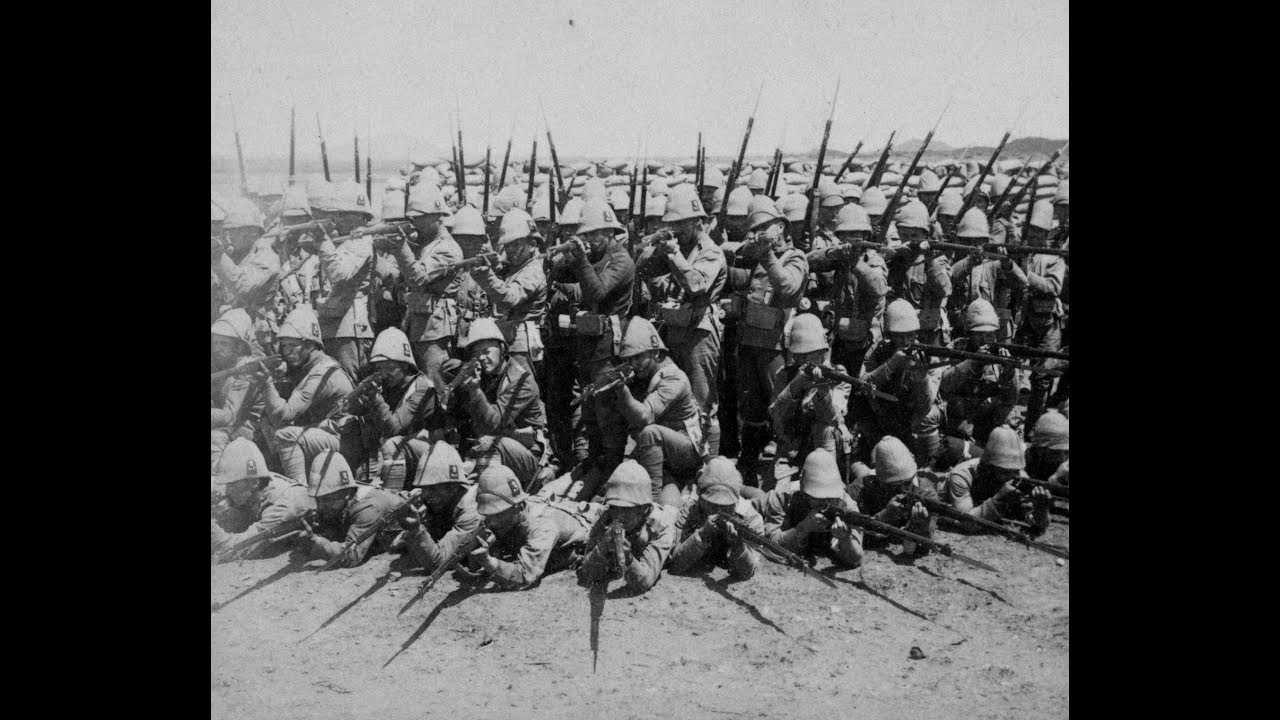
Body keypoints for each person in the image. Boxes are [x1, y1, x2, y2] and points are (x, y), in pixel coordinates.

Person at [545, 198, 635, 490]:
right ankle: (595, 463)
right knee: (590, 409)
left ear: (609, 231)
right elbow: (561, 277)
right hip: (587, 343)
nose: (590, 240)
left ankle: (611, 469)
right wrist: (564, 259)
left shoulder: (621, 260)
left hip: (608, 344)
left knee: (607, 410)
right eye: (586, 234)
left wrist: (581, 260)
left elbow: (596, 292)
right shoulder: (595, 256)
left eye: (594, 234)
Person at [634, 185, 727, 456]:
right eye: (672, 224)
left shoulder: (710, 251)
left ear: (697, 220)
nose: (676, 229)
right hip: (675, 328)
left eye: (681, 223)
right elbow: (642, 269)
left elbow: (696, 285)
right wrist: (656, 247)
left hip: (700, 332)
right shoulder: (678, 247)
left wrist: (674, 255)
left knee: (702, 402)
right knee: (676, 397)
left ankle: (707, 461)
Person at [732, 195, 809, 486]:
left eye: (766, 227)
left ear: (782, 226)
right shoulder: (755, 256)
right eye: (755, 229)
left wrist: (766, 255)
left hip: (777, 346)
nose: (760, 233)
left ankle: (786, 470)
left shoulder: (795, 257)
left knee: (781, 406)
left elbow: (788, 287)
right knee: (751, 409)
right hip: (751, 342)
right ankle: (748, 465)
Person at [611, 317, 706, 505]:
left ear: (655, 352)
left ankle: (651, 501)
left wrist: (622, 390)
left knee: (650, 433)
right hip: (667, 449)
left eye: (638, 357)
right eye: (629, 359)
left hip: (687, 449)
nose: (634, 364)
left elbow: (644, 417)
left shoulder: (673, 378)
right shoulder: (647, 375)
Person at [256, 305, 355, 483]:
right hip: (323, 434)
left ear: (310, 345)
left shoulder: (323, 372)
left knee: (285, 435)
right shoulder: (307, 367)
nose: (286, 352)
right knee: (265, 420)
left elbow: (283, 416)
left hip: (345, 441)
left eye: (293, 346)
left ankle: (297, 490)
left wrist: (266, 383)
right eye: (284, 346)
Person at [463, 465, 601, 590]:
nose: (491, 521)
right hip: (547, 500)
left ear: (517, 506)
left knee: (595, 478)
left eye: (498, 514)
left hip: (585, 517)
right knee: (575, 475)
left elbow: (524, 575)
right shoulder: (515, 508)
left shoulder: (542, 529)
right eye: (488, 514)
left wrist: (489, 562)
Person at [384, 183, 463, 392]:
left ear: (437, 215)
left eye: (421, 218)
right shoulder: (427, 246)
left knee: (435, 384)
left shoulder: (447, 248)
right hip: (418, 325)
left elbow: (419, 279)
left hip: (435, 330)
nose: (416, 223)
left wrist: (400, 247)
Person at [452, 317, 547, 490]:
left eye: (487, 351)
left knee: (487, 443)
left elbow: (494, 424)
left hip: (527, 456)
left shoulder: (521, 381)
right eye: (476, 354)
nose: (482, 358)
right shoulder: (484, 376)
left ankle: (486, 491)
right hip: (490, 449)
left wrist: (475, 391)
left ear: (502, 349)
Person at [769, 313, 855, 488]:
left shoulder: (838, 377)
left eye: (809, 354)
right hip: (792, 448)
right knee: (781, 493)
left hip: (826, 448)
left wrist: (822, 392)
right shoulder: (785, 375)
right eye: (799, 354)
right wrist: (796, 384)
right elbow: (775, 414)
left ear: (822, 350)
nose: (803, 360)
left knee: (826, 429)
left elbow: (832, 418)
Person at [858, 300, 945, 467]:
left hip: (913, 417)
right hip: (884, 413)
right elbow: (862, 385)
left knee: (929, 416)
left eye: (910, 335)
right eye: (899, 336)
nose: (905, 341)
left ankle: (930, 463)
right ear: (890, 334)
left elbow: (925, 407)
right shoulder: (878, 351)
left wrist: (921, 379)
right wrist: (891, 364)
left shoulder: (928, 357)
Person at [806, 202, 888, 376]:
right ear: (840, 236)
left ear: (865, 235)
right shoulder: (838, 257)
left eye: (856, 233)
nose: (852, 238)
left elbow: (879, 289)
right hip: (840, 337)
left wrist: (855, 263)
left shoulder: (873, 260)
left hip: (868, 338)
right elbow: (808, 262)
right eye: (847, 234)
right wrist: (832, 253)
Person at [308, 182, 378, 380]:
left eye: (342, 214)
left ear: (359, 216)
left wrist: (322, 240)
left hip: (350, 327)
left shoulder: (361, 242)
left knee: (348, 383)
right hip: (334, 324)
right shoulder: (344, 241)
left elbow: (340, 274)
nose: (336, 219)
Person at [936, 299, 1019, 466]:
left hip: (988, 419)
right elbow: (944, 385)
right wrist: (973, 362)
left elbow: (1010, 400)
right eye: (978, 334)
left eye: (989, 334)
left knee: (1010, 421)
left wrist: (1009, 374)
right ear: (969, 333)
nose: (985, 339)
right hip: (961, 419)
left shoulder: (999, 353)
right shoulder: (956, 349)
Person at [576, 460, 678, 593]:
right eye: (614, 507)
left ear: (644, 508)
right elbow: (587, 572)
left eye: (626, 509)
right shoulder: (605, 515)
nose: (618, 515)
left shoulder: (661, 526)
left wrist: (629, 559)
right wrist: (602, 548)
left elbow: (645, 581)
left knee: (674, 490)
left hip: (671, 510)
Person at [294, 449, 408, 569]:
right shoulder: (342, 499)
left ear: (346, 492)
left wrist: (316, 541)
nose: (322, 506)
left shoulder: (367, 507)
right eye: (318, 499)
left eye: (327, 499)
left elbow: (351, 556)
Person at [469, 208, 548, 379]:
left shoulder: (533, 270)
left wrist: (487, 275)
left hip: (521, 343)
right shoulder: (515, 268)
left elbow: (510, 298)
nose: (510, 250)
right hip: (509, 338)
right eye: (507, 245)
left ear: (532, 244)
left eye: (516, 244)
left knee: (519, 387)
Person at [1011, 200, 1068, 433]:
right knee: (1009, 369)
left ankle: (1032, 428)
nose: (1034, 235)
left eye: (1039, 232)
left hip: (1047, 324)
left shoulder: (1054, 258)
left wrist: (1026, 275)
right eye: (1032, 230)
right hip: (1022, 322)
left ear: (1046, 234)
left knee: (1042, 378)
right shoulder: (1022, 252)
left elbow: (1053, 287)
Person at [754, 449, 864, 568]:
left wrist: (845, 539)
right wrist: (804, 527)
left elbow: (856, 559)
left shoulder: (846, 506)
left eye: (830, 498)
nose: (825, 504)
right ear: (804, 492)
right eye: (817, 498)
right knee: (752, 497)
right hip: (759, 505)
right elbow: (772, 545)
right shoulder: (783, 497)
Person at [211, 438, 315, 558]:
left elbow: (231, 550)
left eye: (232, 484)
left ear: (254, 482)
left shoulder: (281, 508)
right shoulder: (257, 480)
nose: (227, 491)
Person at [393, 441, 484, 573]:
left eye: (433, 488)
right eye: (424, 488)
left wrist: (416, 529)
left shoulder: (471, 511)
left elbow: (439, 563)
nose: (426, 494)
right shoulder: (442, 501)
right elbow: (395, 545)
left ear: (453, 486)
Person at [668, 457, 765, 580]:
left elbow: (747, 573)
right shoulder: (691, 509)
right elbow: (676, 565)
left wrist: (738, 546)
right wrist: (702, 534)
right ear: (701, 499)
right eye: (712, 504)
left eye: (725, 506)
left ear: (735, 503)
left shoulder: (749, 518)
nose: (718, 510)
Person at [944, 426, 1052, 535]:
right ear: (989, 466)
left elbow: (1034, 522)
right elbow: (966, 522)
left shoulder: (1019, 477)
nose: (1012, 477)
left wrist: (1041, 510)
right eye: (1005, 471)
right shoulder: (962, 475)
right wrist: (998, 500)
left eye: (1015, 471)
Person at [845, 436, 937, 557]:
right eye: (895, 486)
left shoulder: (926, 493)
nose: (903, 490)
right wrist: (883, 517)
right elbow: (851, 536)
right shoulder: (861, 489)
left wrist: (920, 527)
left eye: (907, 483)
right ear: (880, 480)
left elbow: (926, 546)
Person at [211, 196, 280, 354]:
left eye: (235, 231)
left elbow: (243, 286)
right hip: (226, 332)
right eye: (226, 231)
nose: (228, 237)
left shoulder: (266, 256)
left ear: (253, 232)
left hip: (256, 336)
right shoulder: (235, 256)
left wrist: (218, 255)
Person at [882, 200, 951, 345]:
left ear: (925, 235)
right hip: (900, 329)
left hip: (928, 332)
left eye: (914, 236)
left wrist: (929, 260)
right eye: (904, 235)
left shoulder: (937, 260)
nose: (909, 241)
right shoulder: (896, 258)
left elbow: (945, 289)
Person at [948, 209, 1018, 341]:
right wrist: (967, 264)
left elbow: (1020, 284)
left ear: (986, 241)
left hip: (995, 331)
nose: (973, 246)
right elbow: (947, 282)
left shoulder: (995, 263)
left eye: (978, 241)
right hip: (963, 329)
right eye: (967, 241)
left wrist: (1007, 263)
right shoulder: (955, 264)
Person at [211, 308, 267, 473]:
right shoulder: (221, 365)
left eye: (224, 344)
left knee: (216, 438)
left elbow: (230, 415)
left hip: (251, 428)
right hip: (229, 425)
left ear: (239, 346)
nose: (217, 348)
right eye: (215, 343)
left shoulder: (246, 369)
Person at [1025, 410, 1068, 483]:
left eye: (1067, 452)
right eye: (1056, 452)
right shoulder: (1026, 463)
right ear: (1040, 450)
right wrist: (1054, 478)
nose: (1063, 458)